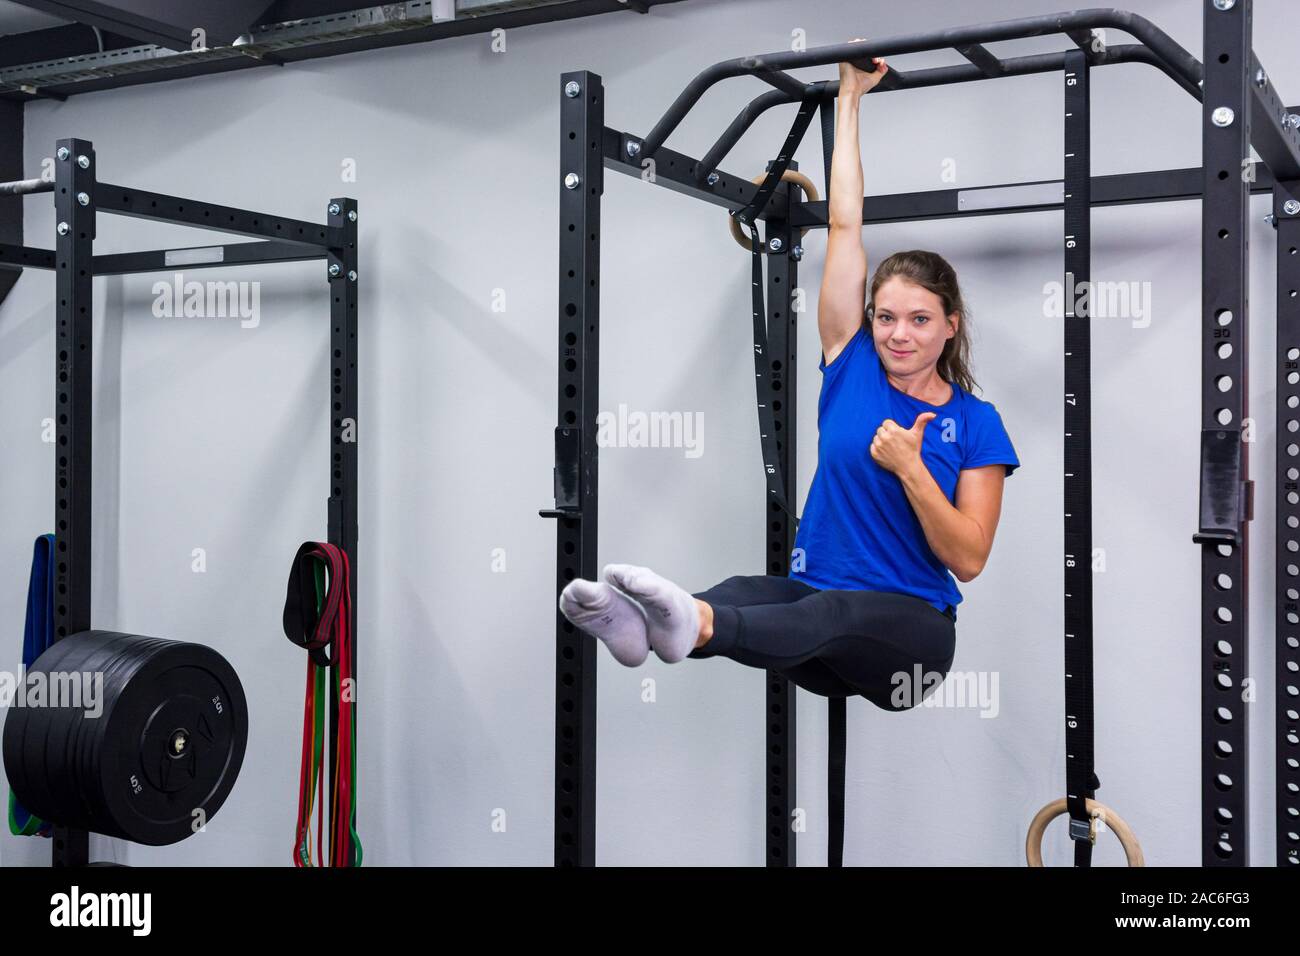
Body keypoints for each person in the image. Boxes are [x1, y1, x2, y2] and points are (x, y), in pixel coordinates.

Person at [557, 53, 1020, 711]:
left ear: (950, 324)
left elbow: (969, 558)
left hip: (909, 641)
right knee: (750, 587)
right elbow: (845, 225)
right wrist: (850, 100)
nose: (898, 333)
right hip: (816, 623)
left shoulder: (978, 423)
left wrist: (913, 471)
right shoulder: (851, 363)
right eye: (885, 316)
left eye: (919, 319)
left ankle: (693, 627)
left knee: (829, 611)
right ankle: (644, 624)